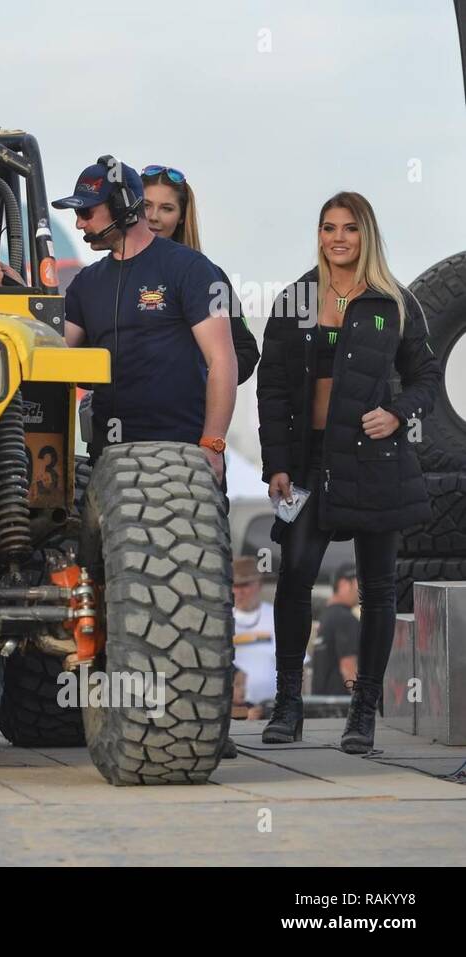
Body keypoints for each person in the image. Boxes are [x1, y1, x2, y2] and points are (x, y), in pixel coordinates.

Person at [257, 191, 441, 753]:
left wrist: (398, 412)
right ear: (318, 234)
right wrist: (277, 465)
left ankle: (363, 712)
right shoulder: (296, 299)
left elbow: (427, 378)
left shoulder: (392, 302)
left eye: (350, 229)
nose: (338, 238)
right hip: (311, 461)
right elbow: (273, 388)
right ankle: (288, 705)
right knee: (294, 576)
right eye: (329, 227)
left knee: (379, 587)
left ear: (367, 236)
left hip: (374, 460)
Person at [54, 157, 237, 484]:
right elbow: (55, 351)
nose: (80, 224)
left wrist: (212, 443)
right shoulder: (86, 282)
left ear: (122, 208)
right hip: (108, 457)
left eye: (86, 213)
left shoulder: (192, 269)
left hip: (180, 454)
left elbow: (223, 358)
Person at [141, 165, 259, 384]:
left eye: (167, 208)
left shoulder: (208, 275)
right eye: (146, 206)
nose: (153, 217)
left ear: (181, 217)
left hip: (187, 415)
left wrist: (196, 382)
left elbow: (245, 351)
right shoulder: (105, 275)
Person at [231, 557, 277, 708]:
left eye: (245, 585)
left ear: (259, 585)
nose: (239, 592)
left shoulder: (277, 617)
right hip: (232, 711)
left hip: (270, 710)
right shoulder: (222, 620)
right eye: (235, 586)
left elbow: (297, 668)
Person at [309, 564, 361, 696]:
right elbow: (348, 667)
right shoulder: (346, 619)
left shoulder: (327, 616)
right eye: (358, 582)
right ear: (344, 584)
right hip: (340, 708)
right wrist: (361, 703)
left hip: (321, 708)